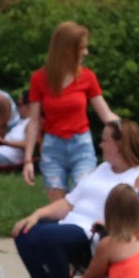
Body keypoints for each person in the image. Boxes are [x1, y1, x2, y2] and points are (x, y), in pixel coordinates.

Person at [12, 119, 139, 278]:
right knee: (24, 232)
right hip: (71, 224)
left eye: (105, 140)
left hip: (94, 233)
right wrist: (37, 215)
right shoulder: (103, 168)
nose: (100, 144)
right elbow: (69, 203)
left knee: (48, 236)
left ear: (120, 144)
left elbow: (135, 215)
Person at [22, 20, 118, 198]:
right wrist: (28, 159)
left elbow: (106, 114)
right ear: (67, 49)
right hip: (52, 147)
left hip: (81, 144)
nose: (86, 52)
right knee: (58, 204)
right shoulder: (39, 78)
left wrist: (130, 131)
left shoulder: (88, 77)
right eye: (82, 48)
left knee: (83, 196)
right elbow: (34, 121)